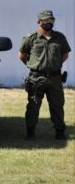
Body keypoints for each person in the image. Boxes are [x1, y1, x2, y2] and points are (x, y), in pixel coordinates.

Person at [19, 10, 70, 141]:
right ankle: (30, 133)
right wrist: (34, 65)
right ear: (39, 22)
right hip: (36, 78)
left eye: (51, 20)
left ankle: (59, 132)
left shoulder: (60, 37)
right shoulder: (31, 38)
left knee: (57, 106)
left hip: (55, 78)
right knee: (33, 106)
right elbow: (22, 55)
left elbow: (65, 54)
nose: (49, 23)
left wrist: (55, 65)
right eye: (46, 21)